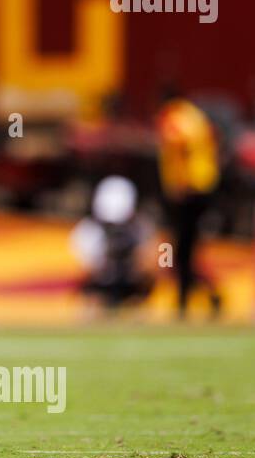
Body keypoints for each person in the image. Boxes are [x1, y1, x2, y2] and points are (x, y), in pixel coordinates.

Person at [155, 86, 222, 319]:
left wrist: (179, 184)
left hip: (188, 191)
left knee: (181, 249)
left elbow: (179, 147)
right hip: (204, 186)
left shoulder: (175, 117)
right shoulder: (197, 115)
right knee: (187, 249)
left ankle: (185, 300)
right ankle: (202, 296)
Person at [69, 175, 154, 313]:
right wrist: (103, 267)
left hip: (131, 283)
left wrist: (144, 263)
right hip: (101, 282)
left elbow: (163, 252)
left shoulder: (141, 228)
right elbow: (81, 267)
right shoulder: (87, 230)